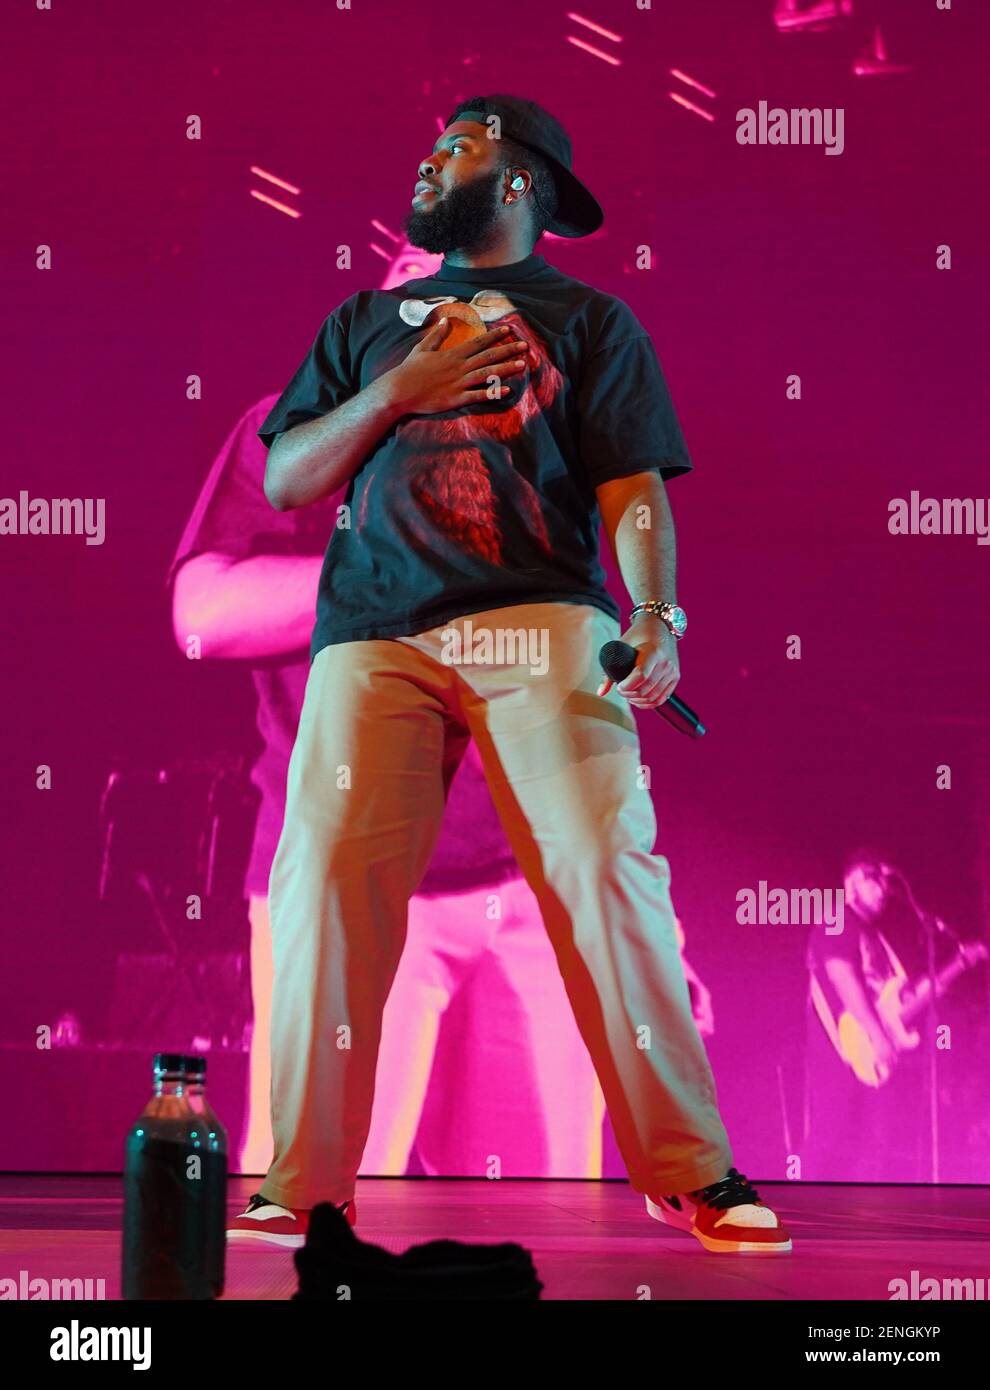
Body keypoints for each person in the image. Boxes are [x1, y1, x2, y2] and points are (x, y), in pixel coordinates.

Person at [227, 93, 790, 1255]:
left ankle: (692, 1169)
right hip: (375, 634)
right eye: (429, 141)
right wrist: (398, 393)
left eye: (459, 145)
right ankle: (306, 1176)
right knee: (323, 878)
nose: (430, 159)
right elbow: (286, 478)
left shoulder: (591, 319)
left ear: (520, 179)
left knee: (604, 864)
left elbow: (634, 486)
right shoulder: (364, 322)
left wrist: (656, 612)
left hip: (541, 621)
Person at [804, 849, 944, 1181]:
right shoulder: (838, 918)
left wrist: (941, 980)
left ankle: (867, 1223)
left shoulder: (876, 938)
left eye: (885, 880)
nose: (883, 887)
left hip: (873, 1053)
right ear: (850, 883)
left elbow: (890, 997)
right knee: (831, 1137)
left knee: (876, 1145)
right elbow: (841, 975)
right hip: (839, 1050)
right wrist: (879, 1037)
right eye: (873, 878)